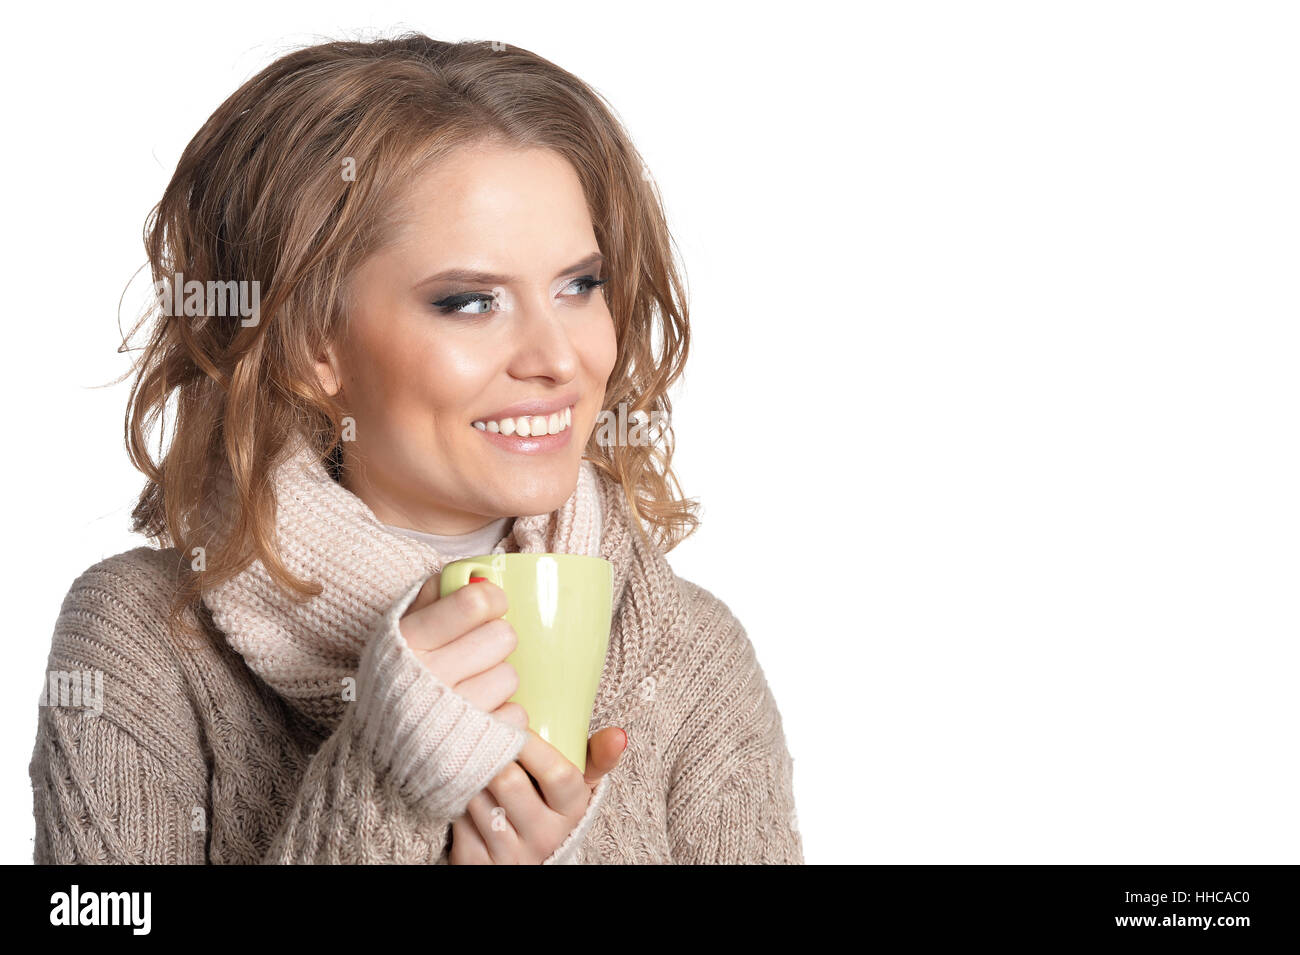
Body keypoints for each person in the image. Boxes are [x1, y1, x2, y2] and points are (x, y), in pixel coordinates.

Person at [30, 33, 802, 864]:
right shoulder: (144, 642)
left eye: (580, 285)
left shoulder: (693, 660)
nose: (557, 357)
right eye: (471, 302)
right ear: (311, 345)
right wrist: (387, 783)